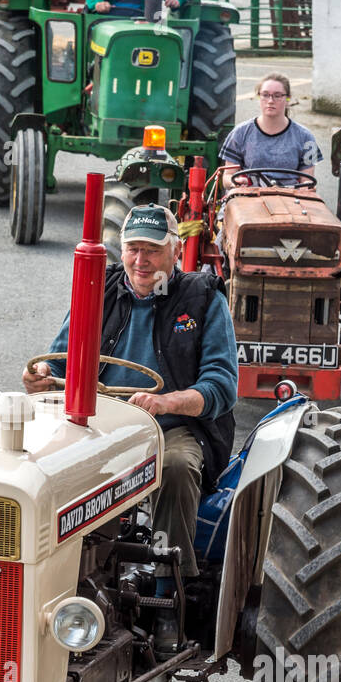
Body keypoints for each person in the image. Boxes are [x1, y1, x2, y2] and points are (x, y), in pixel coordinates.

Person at [22, 205, 238, 612]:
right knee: (42, 466)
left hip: (168, 426)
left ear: (176, 252)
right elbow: (59, 358)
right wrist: (41, 373)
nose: (141, 261)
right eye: (132, 249)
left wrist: (166, 401)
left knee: (176, 466)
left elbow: (222, 386)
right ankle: (54, 582)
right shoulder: (100, 290)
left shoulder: (203, 297)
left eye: (152, 250)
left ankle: (167, 589)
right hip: (100, 421)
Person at [220, 72, 323, 189]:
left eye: (277, 95)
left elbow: (307, 180)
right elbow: (227, 176)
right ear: (259, 97)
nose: (270, 100)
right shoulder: (240, 133)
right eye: (265, 95)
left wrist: (306, 186)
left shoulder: (305, 137)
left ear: (288, 99)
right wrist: (235, 181)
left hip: (290, 199)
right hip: (249, 197)